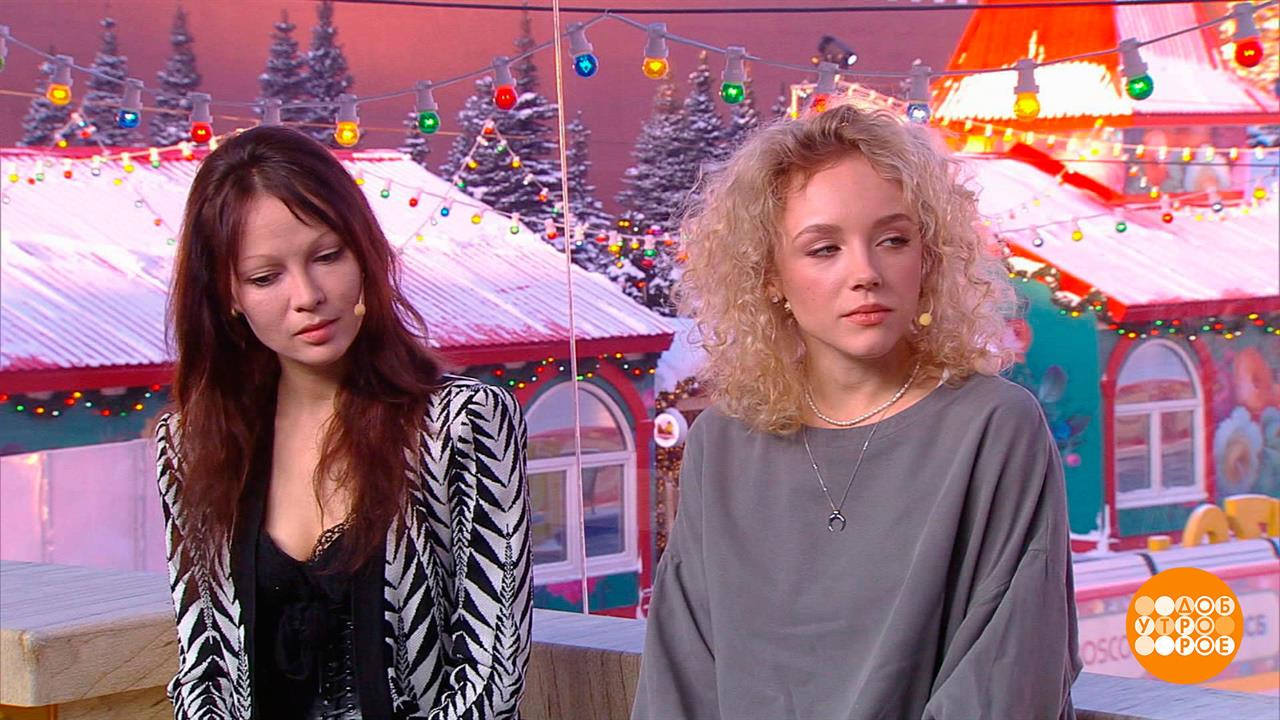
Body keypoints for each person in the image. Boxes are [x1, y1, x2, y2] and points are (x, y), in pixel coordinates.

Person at [632, 102, 1082, 720]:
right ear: (770, 276)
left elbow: (1009, 677)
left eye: (893, 240)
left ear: (927, 256)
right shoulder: (721, 443)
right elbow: (678, 678)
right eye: (824, 249)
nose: (866, 273)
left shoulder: (995, 427)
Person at [155, 126, 531, 719]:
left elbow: (492, 673)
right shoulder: (188, 444)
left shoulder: (460, 423)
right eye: (265, 277)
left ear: (364, 254)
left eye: (327, 256)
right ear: (228, 295)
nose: (307, 295)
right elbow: (202, 665)